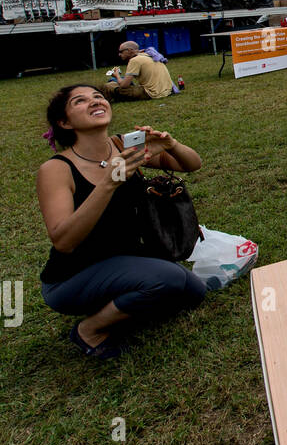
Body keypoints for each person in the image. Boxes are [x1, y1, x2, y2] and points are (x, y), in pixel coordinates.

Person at [36, 84, 207, 359]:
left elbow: (192, 164)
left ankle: (121, 302)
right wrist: (107, 184)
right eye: (80, 101)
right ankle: (88, 330)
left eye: (98, 97)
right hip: (73, 276)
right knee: (168, 279)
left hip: (123, 258)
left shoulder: (123, 145)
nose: (94, 102)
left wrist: (171, 145)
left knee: (194, 292)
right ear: (64, 122)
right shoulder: (56, 169)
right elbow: (64, 242)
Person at [101, 41, 173, 101]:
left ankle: (102, 102)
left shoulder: (134, 60)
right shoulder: (148, 55)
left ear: (129, 50)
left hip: (153, 93)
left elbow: (124, 85)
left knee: (109, 86)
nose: (119, 54)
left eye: (121, 52)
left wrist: (117, 76)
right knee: (115, 81)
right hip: (166, 91)